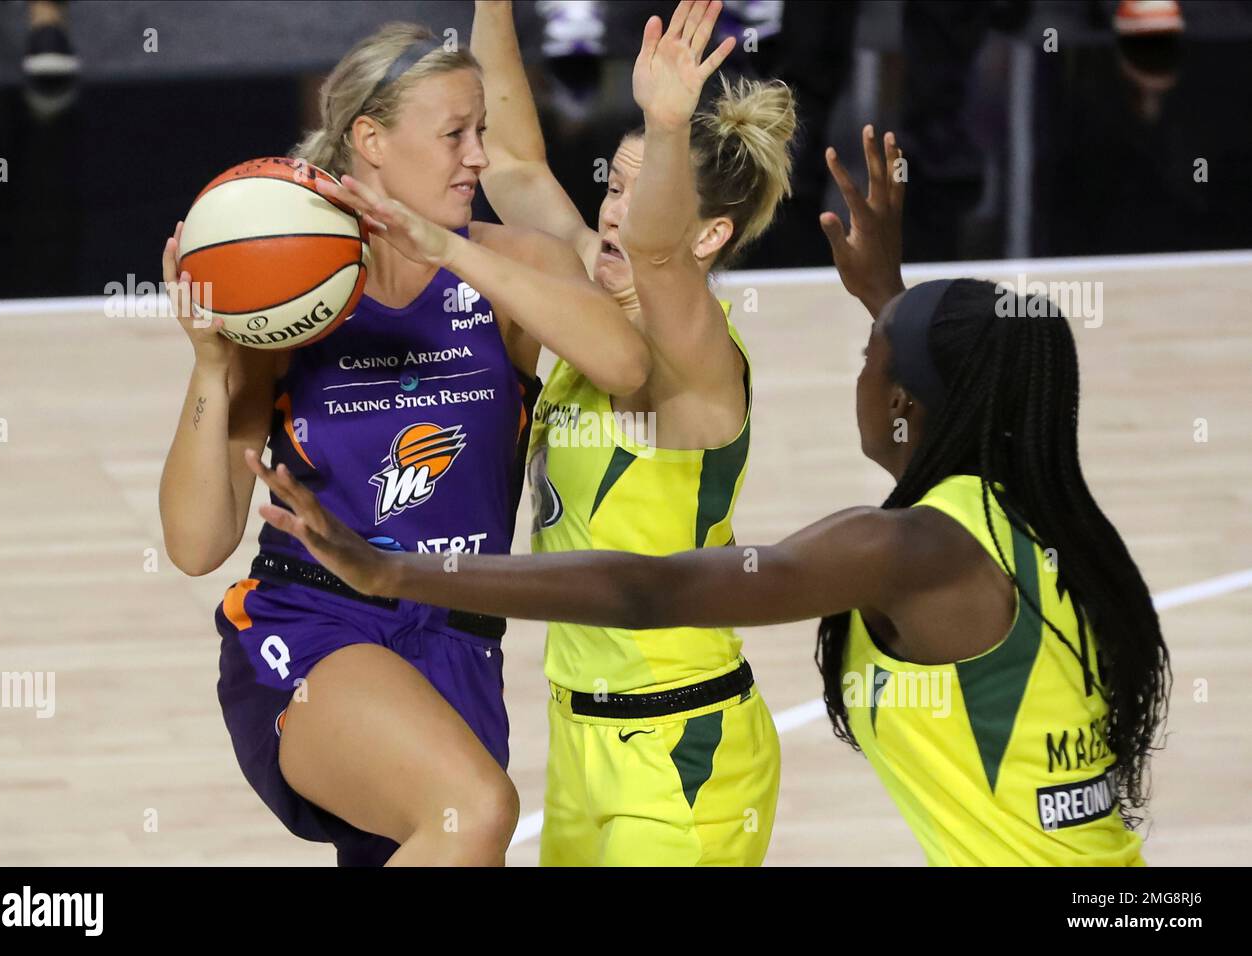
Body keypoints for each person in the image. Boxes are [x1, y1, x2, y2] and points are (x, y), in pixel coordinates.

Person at [245, 125, 1171, 866]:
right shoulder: (1022, 508)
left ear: (903, 403)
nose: (855, 373)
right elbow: (527, 167)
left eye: (869, 354)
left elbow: (649, 590)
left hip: (681, 759)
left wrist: (392, 569)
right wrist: (886, 297)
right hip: (588, 741)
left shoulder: (909, 550)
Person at [159, 22, 649, 866]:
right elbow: (197, 544)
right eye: (455, 134)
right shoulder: (288, 291)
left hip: (461, 642)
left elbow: (625, 363)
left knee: (450, 830)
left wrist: (454, 250)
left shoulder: (510, 265)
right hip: (315, 622)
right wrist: (212, 367)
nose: (477, 158)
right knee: (473, 809)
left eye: (483, 133)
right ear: (371, 141)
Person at [469, 0, 796, 864]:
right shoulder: (585, 287)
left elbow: (655, 255)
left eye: (638, 192)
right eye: (613, 184)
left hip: (681, 754)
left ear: (711, 234)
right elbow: (508, 159)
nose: (613, 212)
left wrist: (665, 122)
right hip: (579, 741)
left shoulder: (698, 362)